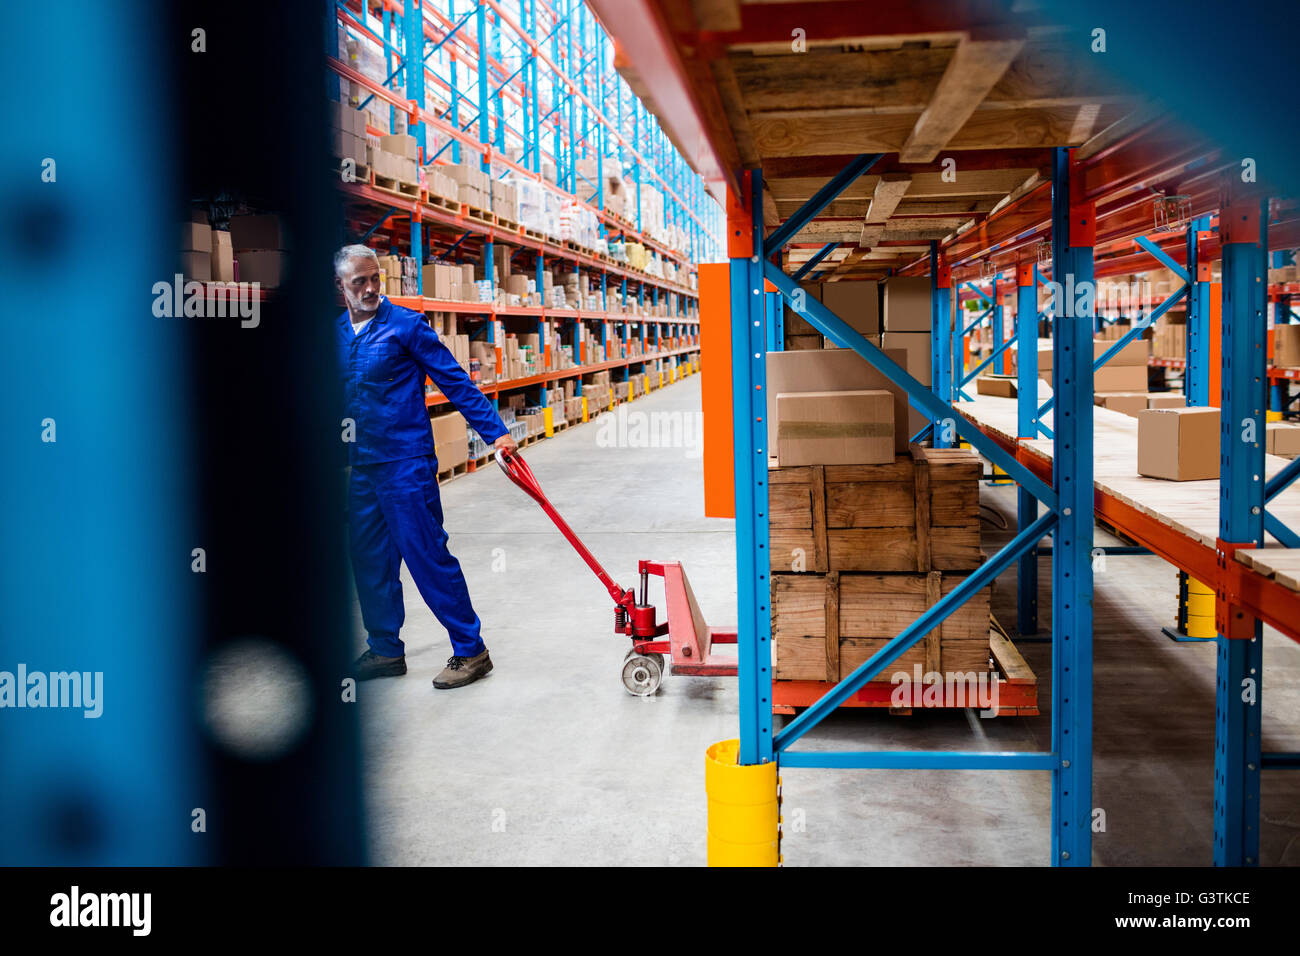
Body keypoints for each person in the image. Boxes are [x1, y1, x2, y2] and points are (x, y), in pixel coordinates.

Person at [334, 244, 517, 688]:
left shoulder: (406, 326)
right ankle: (384, 649)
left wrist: (497, 433)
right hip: (361, 468)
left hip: (405, 464)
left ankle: (471, 650)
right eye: (360, 281)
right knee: (370, 561)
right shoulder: (337, 332)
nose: (372, 287)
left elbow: (455, 380)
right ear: (340, 286)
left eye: (376, 277)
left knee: (427, 555)